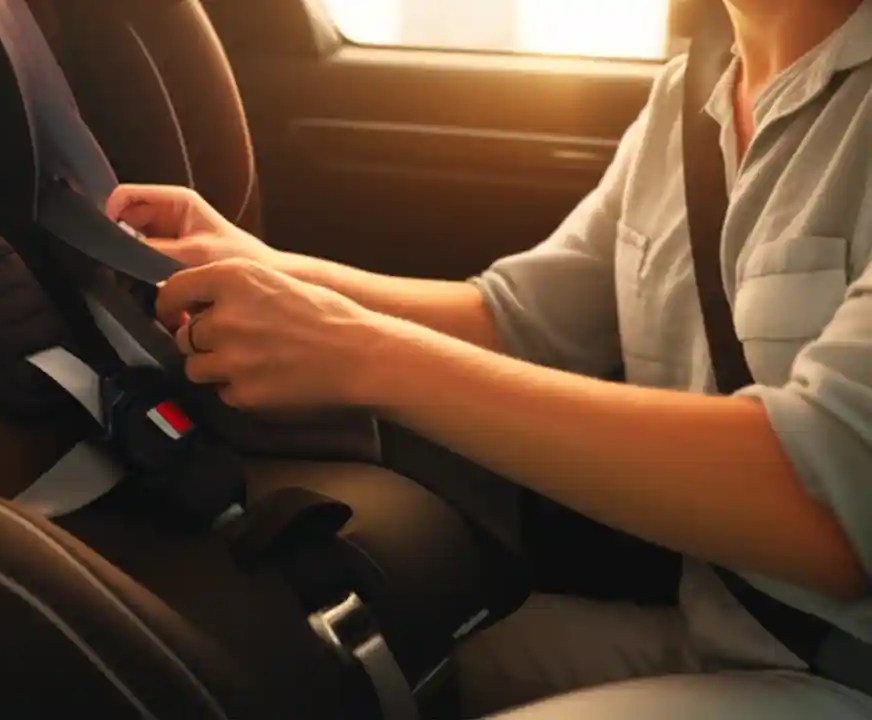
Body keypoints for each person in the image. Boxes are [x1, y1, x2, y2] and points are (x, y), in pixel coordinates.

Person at [102, 0, 872, 717]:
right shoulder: (693, 94)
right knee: (318, 666)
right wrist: (264, 267)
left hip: (841, 666)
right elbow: (514, 320)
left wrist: (360, 352)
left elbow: (826, 511)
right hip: (729, 640)